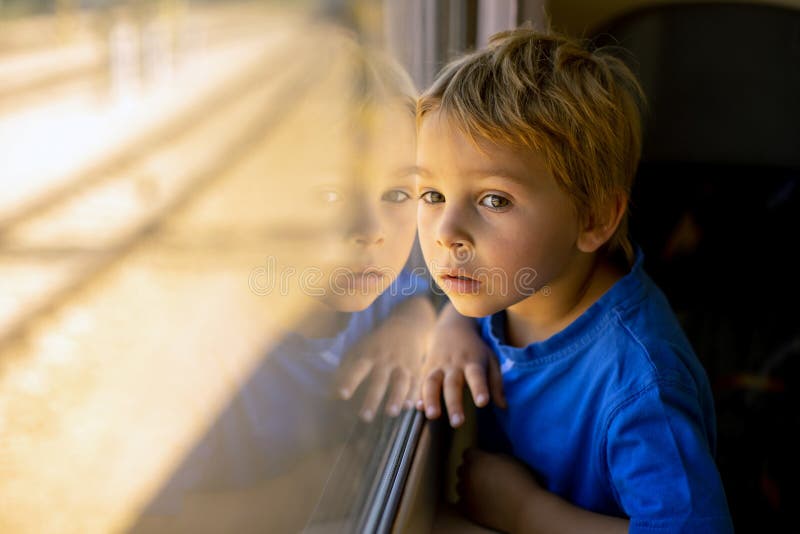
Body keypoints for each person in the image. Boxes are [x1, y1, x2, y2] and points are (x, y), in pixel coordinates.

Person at [414, 28, 734, 532]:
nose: (446, 233)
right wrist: (452, 326)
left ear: (593, 219)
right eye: (431, 194)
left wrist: (525, 513)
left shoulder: (639, 384)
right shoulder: (514, 282)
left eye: (494, 199)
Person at [134, 27, 433, 532]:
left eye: (398, 195)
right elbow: (147, 523)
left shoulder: (390, 284)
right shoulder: (204, 360)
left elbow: (435, 294)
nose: (369, 232)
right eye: (329, 196)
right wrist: (288, 498)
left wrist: (415, 324)